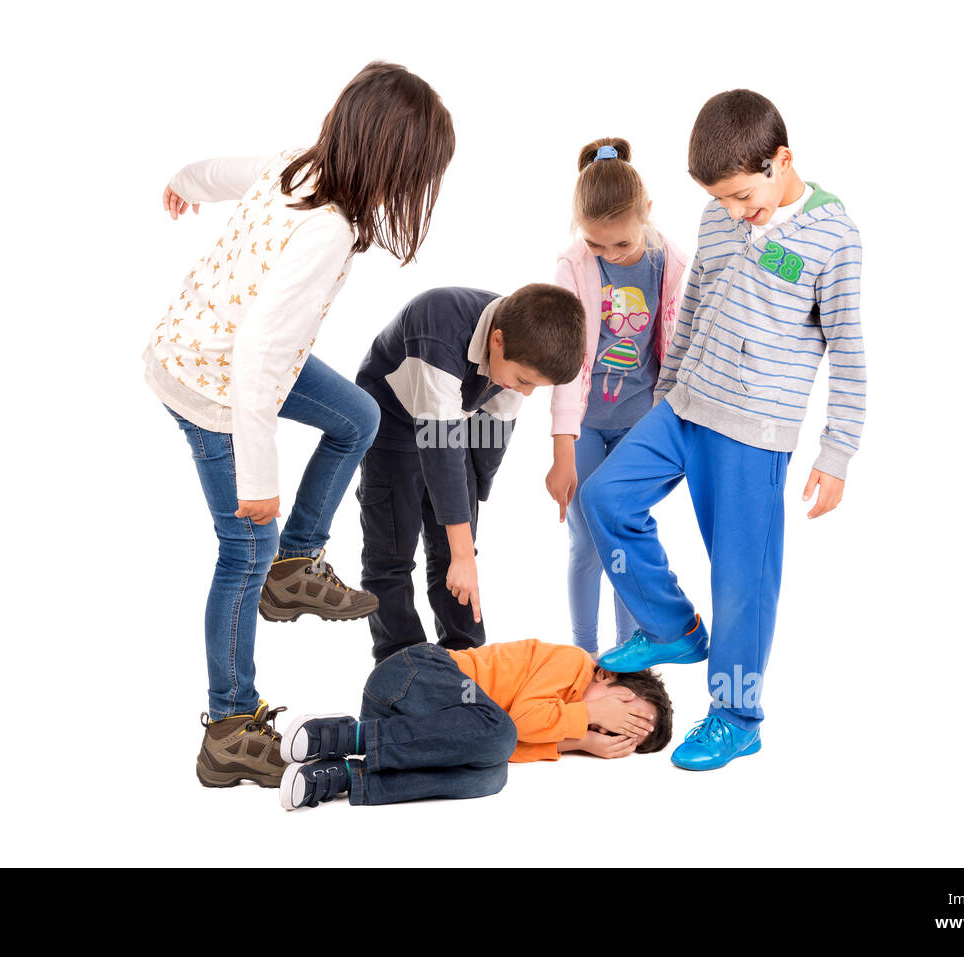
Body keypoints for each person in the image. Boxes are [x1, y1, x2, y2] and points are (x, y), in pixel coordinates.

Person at [143, 62, 455, 788]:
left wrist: (185, 181)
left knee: (358, 416)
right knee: (243, 546)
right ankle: (228, 724)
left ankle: (295, 567)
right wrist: (260, 484)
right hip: (209, 383)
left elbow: (224, 171)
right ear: (391, 165)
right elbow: (254, 358)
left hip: (216, 349)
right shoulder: (327, 232)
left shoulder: (298, 164)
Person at [580, 89, 866, 770]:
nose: (736, 211)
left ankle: (737, 716)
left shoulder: (834, 235)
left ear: (781, 160)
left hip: (752, 432)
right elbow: (694, 307)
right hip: (682, 408)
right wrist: (665, 392)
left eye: (743, 196)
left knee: (742, 580)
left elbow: (849, 348)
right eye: (723, 199)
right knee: (604, 497)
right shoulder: (716, 216)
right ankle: (672, 625)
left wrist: (838, 452)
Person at [355, 284, 585, 663]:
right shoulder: (439, 327)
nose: (526, 393)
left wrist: (469, 517)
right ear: (496, 341)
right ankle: (402, 665)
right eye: (525, 381)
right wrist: (462, 550)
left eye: (535, 387)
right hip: (391, 427)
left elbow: (489, 440)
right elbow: (438, 443)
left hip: (448, 426)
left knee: (457, 552)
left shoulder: (518, 345)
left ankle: (465, 660)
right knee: (390, 558)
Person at [545, 138, 691, 655]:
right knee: (586, 544)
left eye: (620, 246)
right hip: (585, 423)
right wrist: (563, 453)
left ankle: (629, 655)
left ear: (647, 212)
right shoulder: (572, 265)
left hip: (639, 423)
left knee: (624, 538)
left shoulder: (670, 263)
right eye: (596, 245)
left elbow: (678, 355)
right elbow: (564, 365)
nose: (607, 255)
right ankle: (586, 657)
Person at [276, 639, 673, 809]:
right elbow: (517, 724)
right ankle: (336, 734)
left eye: (621, 732)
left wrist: (578, 742)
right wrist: (587, 719)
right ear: (608, 676)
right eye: (626, 710)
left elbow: (500, 745)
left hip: (412, 726)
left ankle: (343, 777)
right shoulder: (574, 664)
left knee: (491, 777)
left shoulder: (563, 723)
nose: (611, 725)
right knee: (497, 732)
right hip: (414, 674)